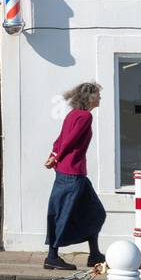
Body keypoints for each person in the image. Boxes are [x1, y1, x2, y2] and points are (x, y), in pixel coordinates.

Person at [44, 82, 107, 270]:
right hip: (73, 174)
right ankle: (52, 256)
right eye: (98, 95)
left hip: (72, 173)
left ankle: (94, 254)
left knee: (93, 212)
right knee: (64, 213)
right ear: (90, 97)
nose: (100, 98)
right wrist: (57, 157)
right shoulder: (85, 116)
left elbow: (60, 139)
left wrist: (54, 156)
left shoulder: (72, 114)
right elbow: (69, 141)